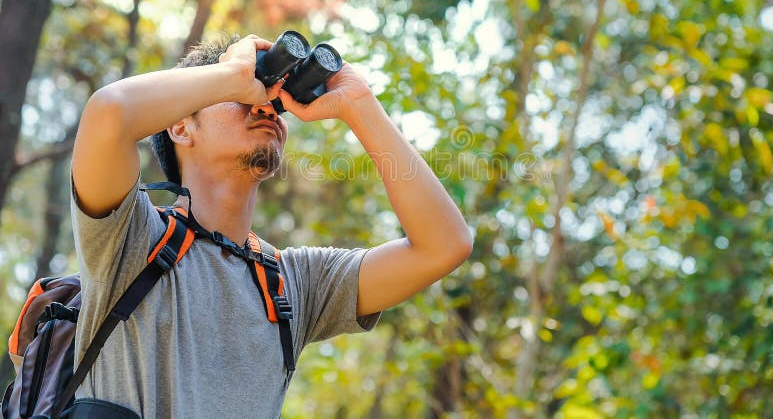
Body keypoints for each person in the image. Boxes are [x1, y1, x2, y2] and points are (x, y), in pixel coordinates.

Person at [69, 33, 473, 418]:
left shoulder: (294, 283)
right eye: (242, 98)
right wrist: (232, 76)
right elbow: (109, 113)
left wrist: (360, 104)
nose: (265, 107)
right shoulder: (129, 236)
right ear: (180, 126)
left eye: (271, 103)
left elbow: (444, 245)